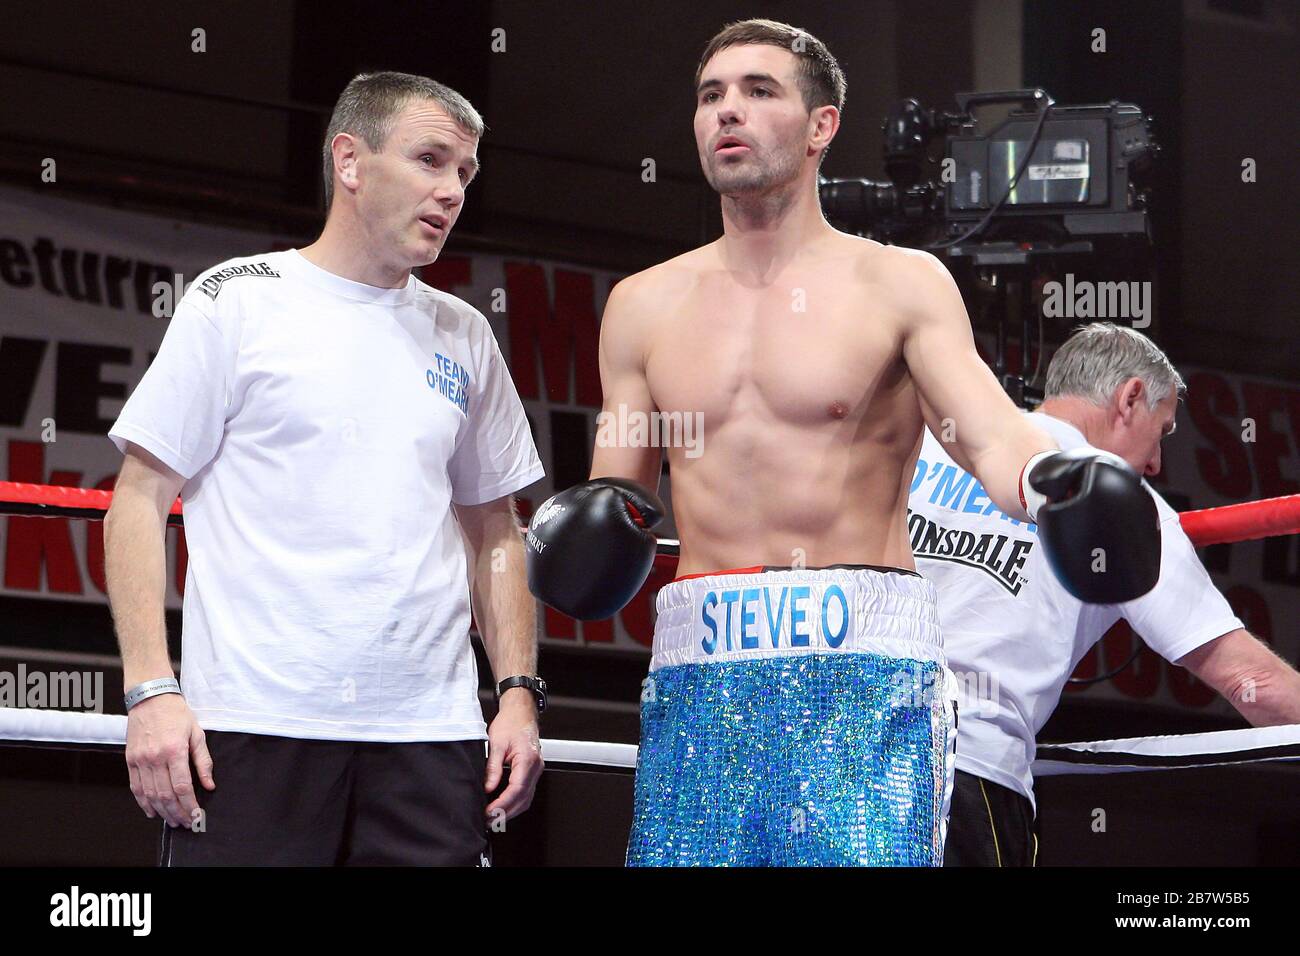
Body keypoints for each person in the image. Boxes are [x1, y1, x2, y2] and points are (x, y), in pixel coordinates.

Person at [526, 20, 1159, 866]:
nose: (727, 112)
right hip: (700, 673)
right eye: (711, 95)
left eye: (759, 91)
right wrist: (590, 527)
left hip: (861, 673)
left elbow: (986, 434)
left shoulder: (900, 282)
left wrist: (1057, 482)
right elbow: (622, 489)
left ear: (822, 126)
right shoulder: (642, 303)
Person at [104, 71, 546, 866]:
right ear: (350, 159)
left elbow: (496, 529)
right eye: (430, 160)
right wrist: (150, 689)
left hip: (429, 738)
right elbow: (137, 500)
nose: (451, 191)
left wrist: (517, 692)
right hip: (251, 727)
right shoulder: (235, 301)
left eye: (465, 174)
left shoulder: (465, 334)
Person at [909, 322, 1300, 866]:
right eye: (1162, 431)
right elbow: (1250, 680)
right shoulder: (1126, 507)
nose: (1158, 463)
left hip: (831, 752)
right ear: (1130, 398)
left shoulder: (926, 447)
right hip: (965, 777)